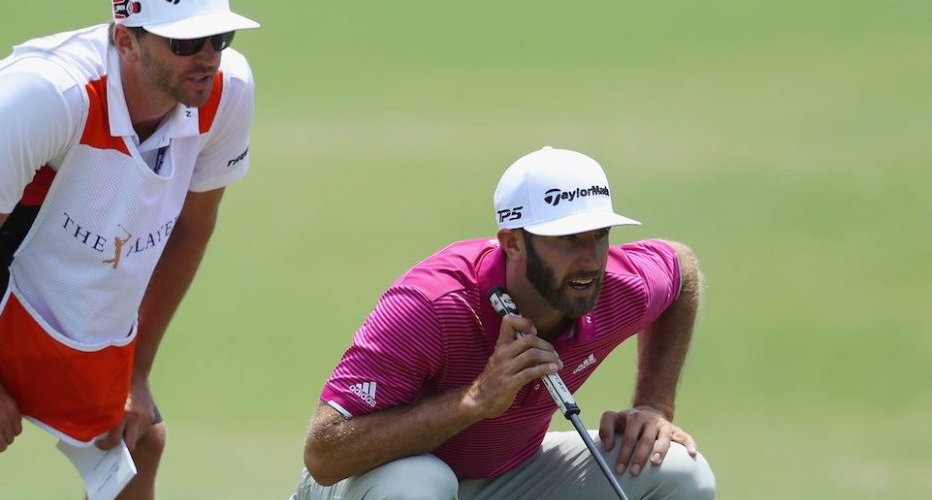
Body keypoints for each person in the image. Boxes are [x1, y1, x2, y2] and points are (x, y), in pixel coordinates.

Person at [0, 1, 258, 498]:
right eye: (183, 43)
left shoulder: (227, 92)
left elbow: (191, 227)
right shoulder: (49, 93)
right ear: (125, 40)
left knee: (136, 437)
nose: (207, 57)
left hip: (53, 205)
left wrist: (135, 374)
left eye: (219, 39)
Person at [293, 147, 717, 500]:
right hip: (371, 481)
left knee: (682, 472)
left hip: (508, 476)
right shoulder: (431, 304)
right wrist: (476, 400)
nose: (590, 260)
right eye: (568, 240)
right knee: (419, 485)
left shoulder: (617, 287)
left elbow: (683, 269)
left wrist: (654, 406)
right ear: (512, 242)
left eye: (599, 235)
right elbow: (325, 454)